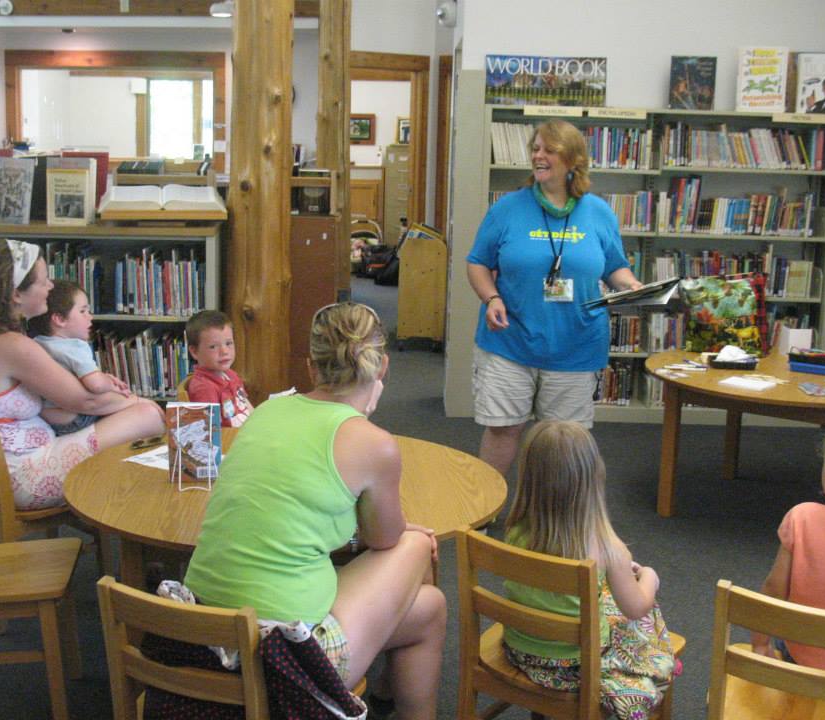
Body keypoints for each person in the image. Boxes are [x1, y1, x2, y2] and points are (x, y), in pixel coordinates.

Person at [183, 302, 446, 720]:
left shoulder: (268, 410)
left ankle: (385, 689)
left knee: (430, 609)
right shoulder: (372, 442)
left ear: (310, 366)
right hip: (287, 657)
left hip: (200, 633)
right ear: (382, 368)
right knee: (416, 543)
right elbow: (385, 540)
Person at [466, 119, 642, 476]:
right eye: (535, 149)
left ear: (573, 159)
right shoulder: (508, 208)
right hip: (510, 341)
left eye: (549, 149)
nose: (539, 155)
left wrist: (633, 286)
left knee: (561, 442)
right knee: (503, 429)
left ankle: (552, 518)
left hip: (575, 344)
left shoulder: (598, 212)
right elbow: (478, 263)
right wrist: (491, 298)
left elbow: (615, 267)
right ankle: (485, 515)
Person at [0, 239, 165, 510]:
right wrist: (136, 401)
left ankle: (116, 510)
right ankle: (129, 513)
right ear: (17, 294)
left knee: (130, 418)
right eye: (44, 281)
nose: (51, 288)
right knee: (150, 417)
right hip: (25, 478)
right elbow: (86, 401)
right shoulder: (15, 346)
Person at [503, 420, 676, 719]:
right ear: (593, 477)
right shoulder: (606, 546)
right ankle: (652, 667)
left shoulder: (514, 531)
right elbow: (636, 607)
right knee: (643, 613)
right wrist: (649, 576)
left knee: (600, 595)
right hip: (576, 664)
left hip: (521, 650)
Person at [751, 421, 825, 671]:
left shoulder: (802, 518)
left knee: (790, 638)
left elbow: (774, 589)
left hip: (803, 658)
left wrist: (761, 645)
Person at [26, 279, 130, 435]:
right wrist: (111, 384)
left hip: (47, 419)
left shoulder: (36, 343)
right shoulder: (75, 347)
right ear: (60, 319)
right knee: (134, 412)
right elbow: (96, 385)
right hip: (75, 419)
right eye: (83, 311)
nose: (90, 317)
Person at [184, 310, 253, 427]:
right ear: (194, 352)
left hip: (248, 429)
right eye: (213, 347)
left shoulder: (230, 375)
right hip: (231, 440)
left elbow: (246, 405)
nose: (224, 351)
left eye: (229, 343)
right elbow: (211, 431)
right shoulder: (204, 388)